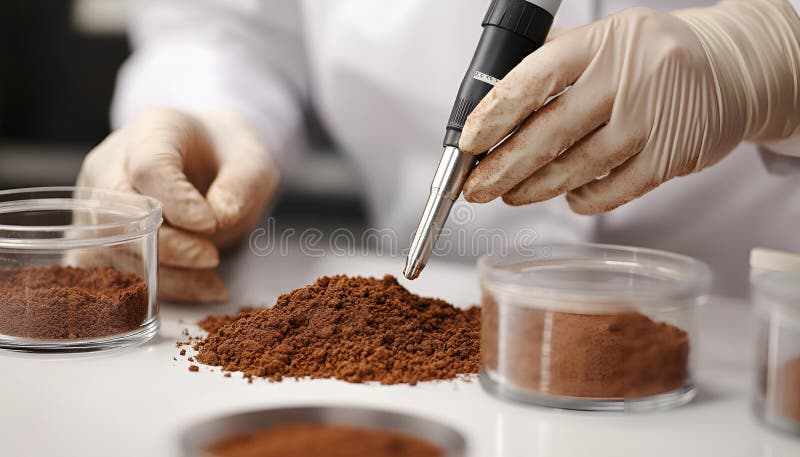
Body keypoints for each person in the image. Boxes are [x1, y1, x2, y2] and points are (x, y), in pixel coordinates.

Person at [78, 0, 800, 302]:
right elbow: (228, 25)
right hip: (447, 319)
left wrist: (772, 55)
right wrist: (214, 115)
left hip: (751, 329)